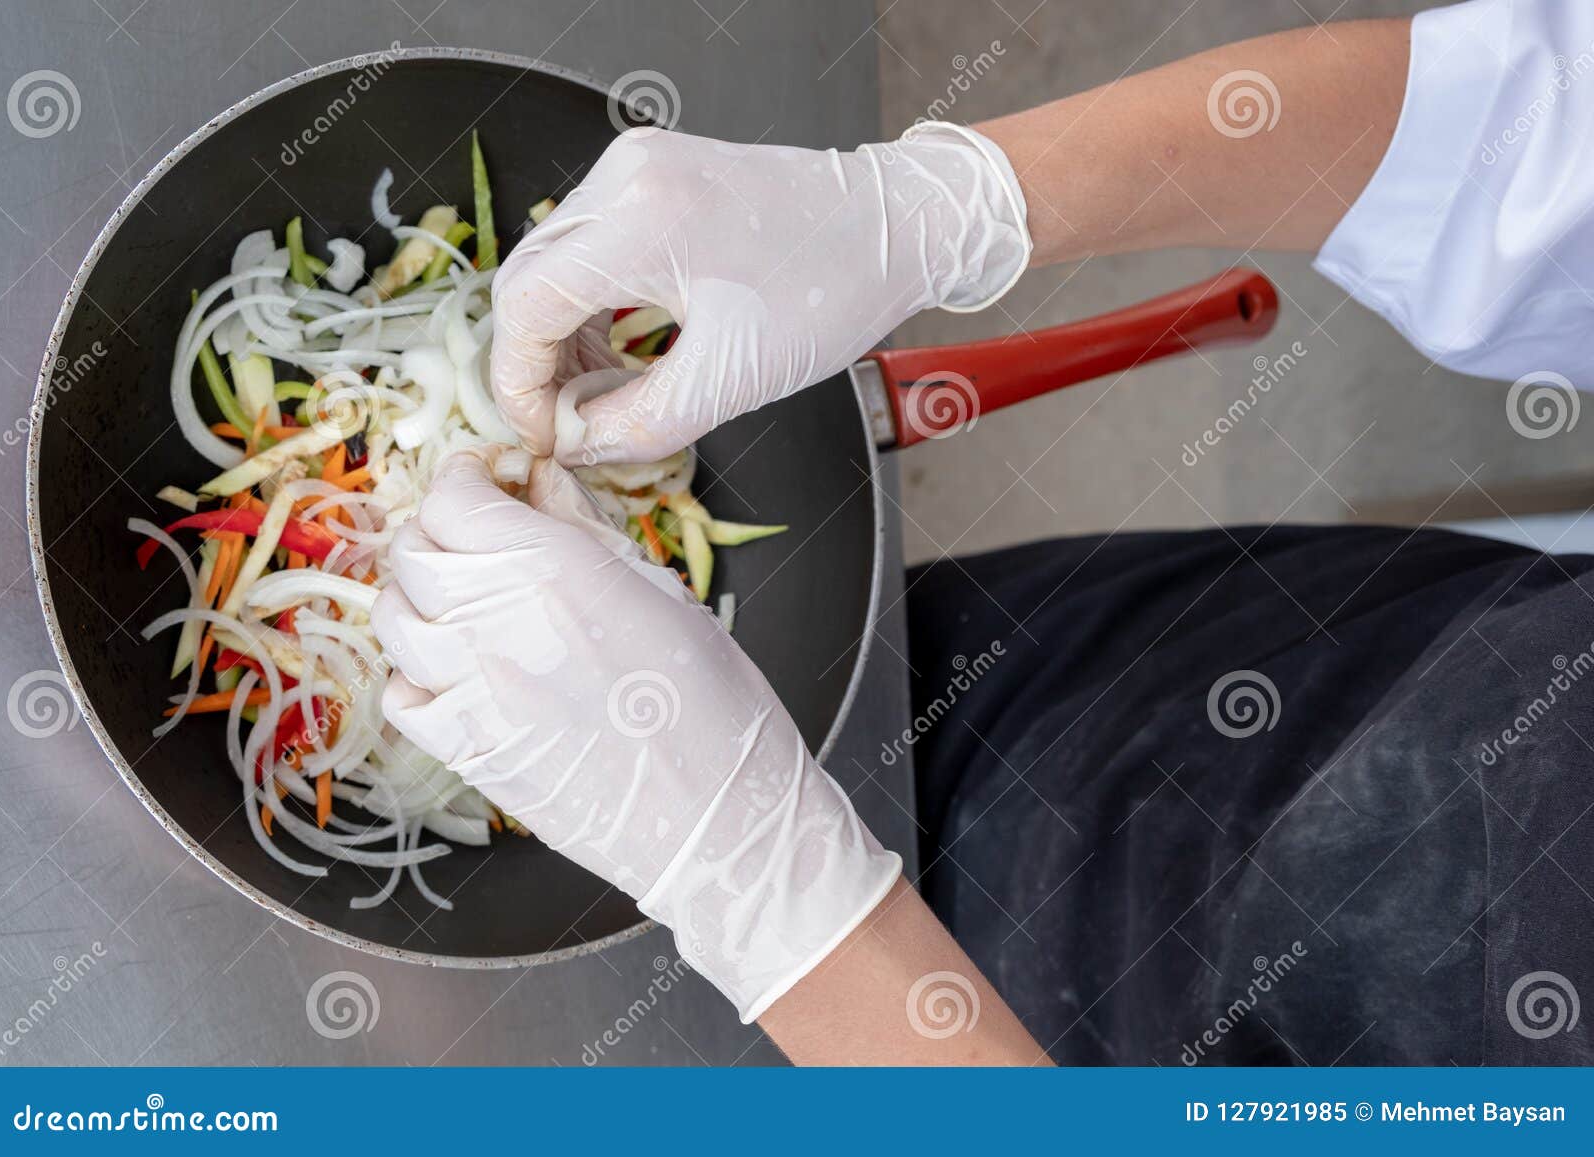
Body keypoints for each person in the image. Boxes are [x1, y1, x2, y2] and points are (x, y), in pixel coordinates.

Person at [376, 0, 1594, 1065]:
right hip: (1368, 665)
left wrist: (771, 898)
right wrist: (952, 200)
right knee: (947, 670)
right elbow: (1537, 140)